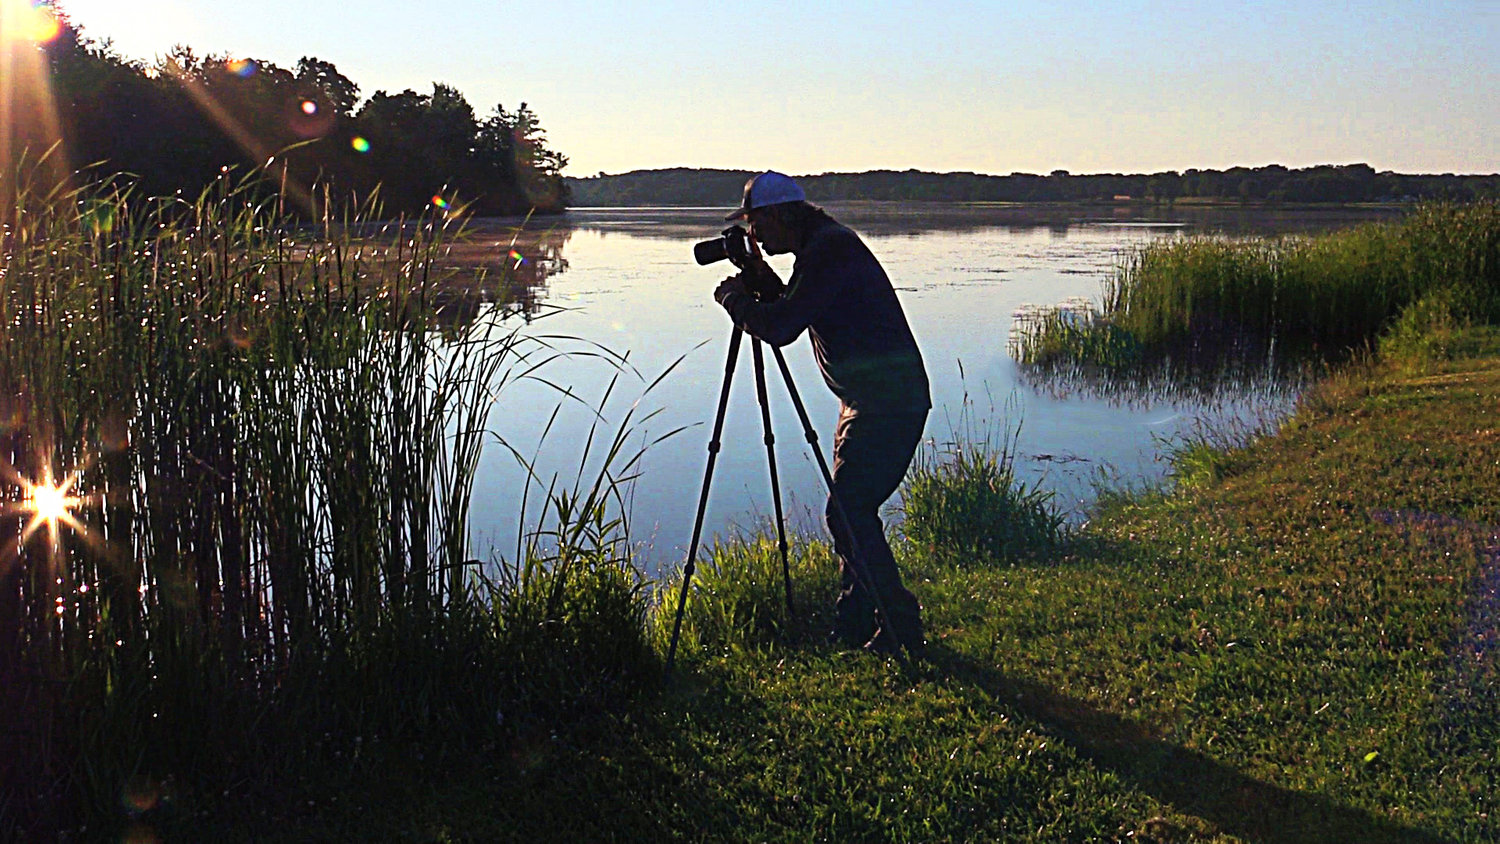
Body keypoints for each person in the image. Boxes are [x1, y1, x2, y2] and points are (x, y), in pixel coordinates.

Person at [713, 171, 931, 655]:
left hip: (885, 403)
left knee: (848, 512)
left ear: (776, 215)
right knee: (850, 513)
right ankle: (853, 623)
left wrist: (734, 301)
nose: (756, 236)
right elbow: (793, 305)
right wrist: (757, 280)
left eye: (755, 223)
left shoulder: (829, 250)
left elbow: (783, 326)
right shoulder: (823, 248)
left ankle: (899, 626)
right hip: (869, 401)